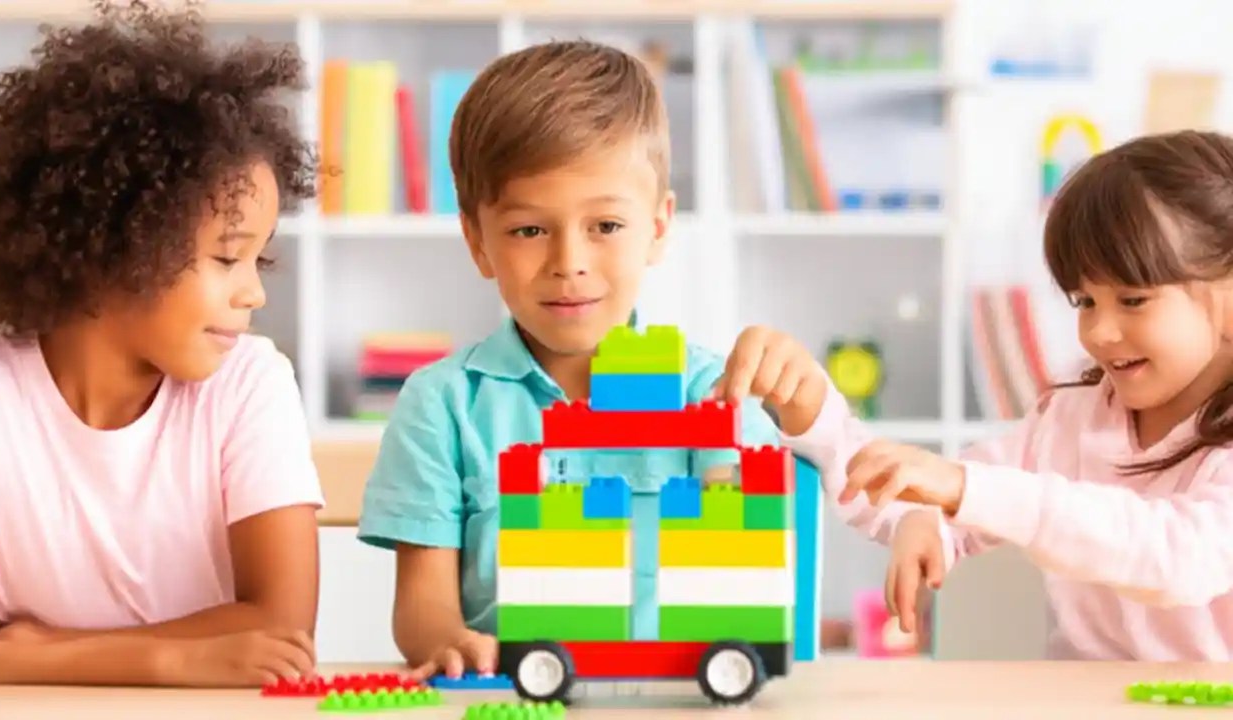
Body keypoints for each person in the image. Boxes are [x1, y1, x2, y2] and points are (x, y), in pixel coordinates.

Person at [356, 40, 788, 680]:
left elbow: (754, 552)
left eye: (605, 227)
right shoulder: (443, 404)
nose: (569, 262)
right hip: (512, 692)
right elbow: (423, 609)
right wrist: (447, 641)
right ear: (477, 242)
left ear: (659, 228)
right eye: (530, 230)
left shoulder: (712, 390)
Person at [722, 129, 1233, 661]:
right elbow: (922, 497)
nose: (1100, 331)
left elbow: (1178, 557)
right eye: (1084, 301)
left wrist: (962, 489)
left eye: (1133, 299)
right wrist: (815, 414)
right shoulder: (1069, 419)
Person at [0, 0, 324, 685]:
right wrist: (170, 658)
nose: (254, 293)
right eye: (226, 258)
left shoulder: (251, 384)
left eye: (258, 260)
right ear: (113, 245)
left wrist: (43, 653)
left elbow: (281, 626)